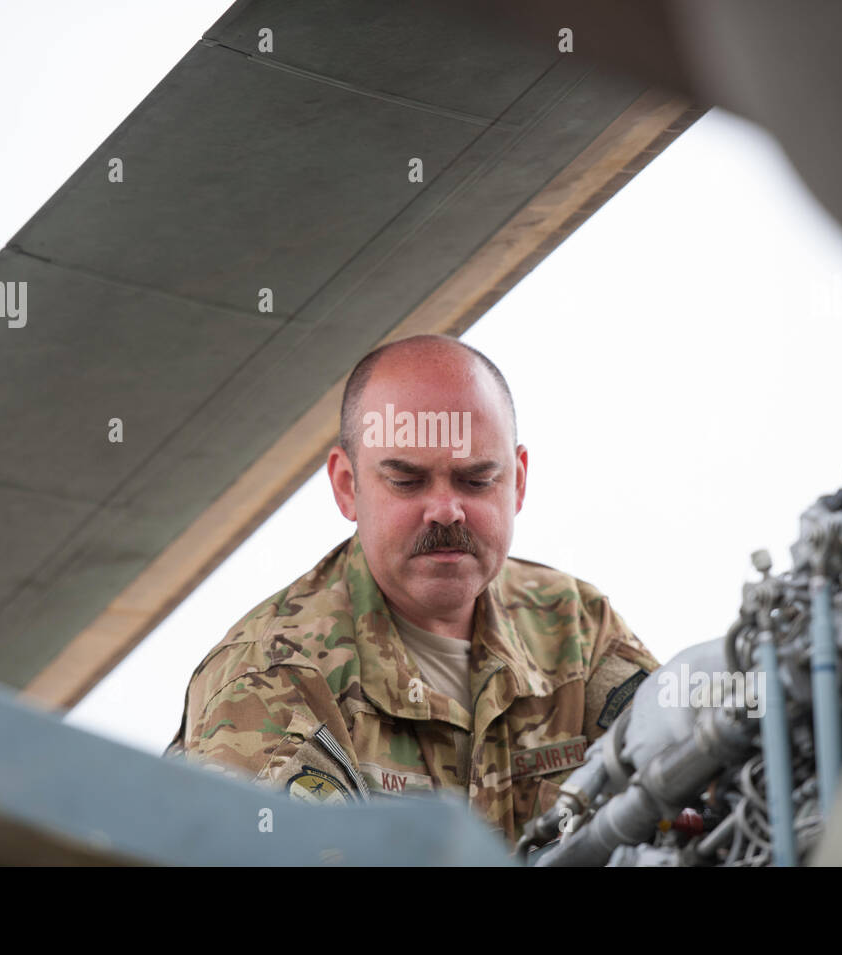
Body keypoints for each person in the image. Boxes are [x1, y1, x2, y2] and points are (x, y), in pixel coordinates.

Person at [164, 334, 659, 845]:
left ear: (518, 481)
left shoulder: (576, 624)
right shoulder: (269, 676)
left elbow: (695, 774)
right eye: (407, 481)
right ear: (346, 485)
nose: (446, 510)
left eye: (476, 479)